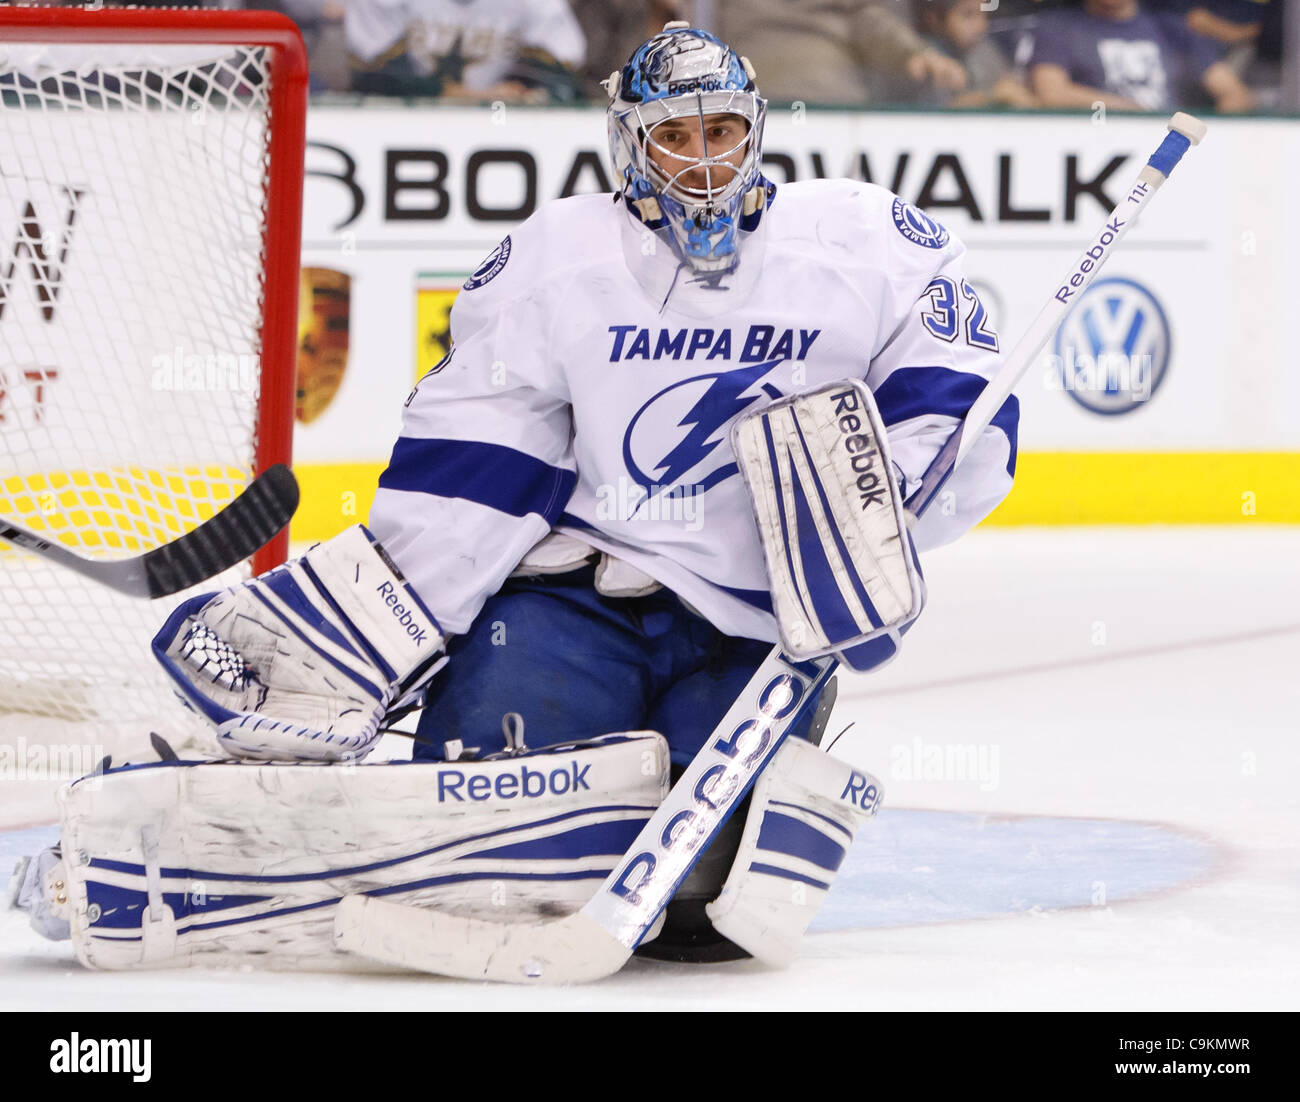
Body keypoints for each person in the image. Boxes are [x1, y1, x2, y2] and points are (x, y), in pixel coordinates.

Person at [149, 23, 1019, 961]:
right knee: (479, 824)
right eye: (673, 138)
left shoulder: (866, 241)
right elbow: (483, 455)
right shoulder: (559, 255)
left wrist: (876, 514)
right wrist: (380, 620)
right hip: (579, 599)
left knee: (694, 898)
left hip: (760, 626)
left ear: (754, 129)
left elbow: (958, 416)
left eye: (720, 131)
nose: (703, 161)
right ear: (627, 142)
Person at [1027, 0, 1255, 113]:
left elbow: (1233, 92)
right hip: (1096, 141)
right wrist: (1130, 110)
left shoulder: (1172, 29)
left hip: (1167, 149)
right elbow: (1052, 93)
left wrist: (1201, 137)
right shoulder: (1059, 27)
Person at [915, 0, 1038, 108]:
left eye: (984, 15)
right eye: (968, 15)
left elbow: (1012, 91)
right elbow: (933, 115)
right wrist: (993, 96)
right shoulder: (926, 57)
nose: (981, 26)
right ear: (934, 19)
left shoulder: (983, 50)